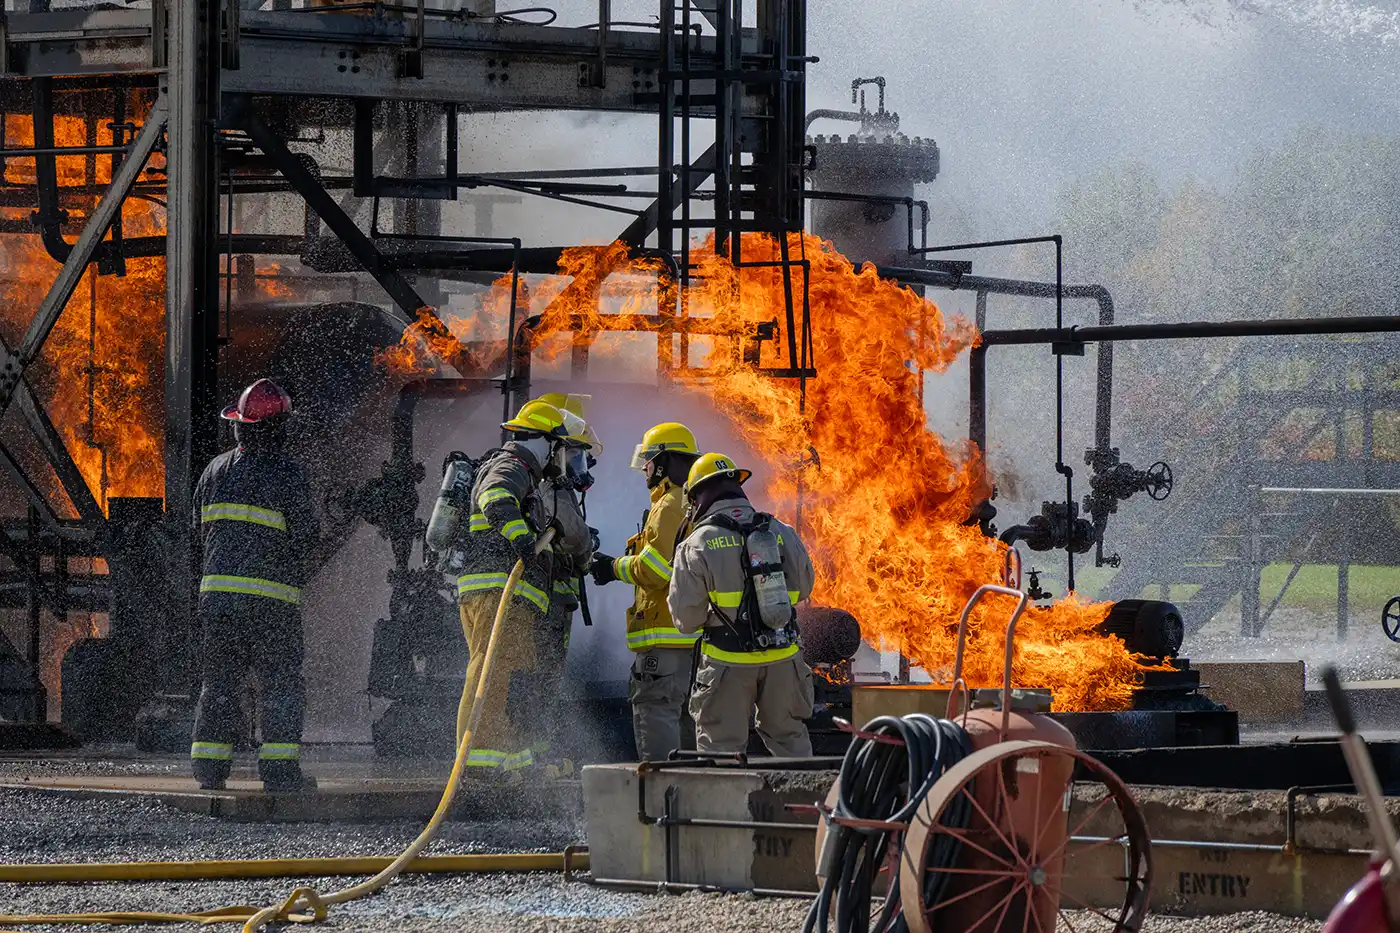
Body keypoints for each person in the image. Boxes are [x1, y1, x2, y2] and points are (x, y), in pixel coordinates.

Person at [190, 378, 320, 793]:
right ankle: (280, 772)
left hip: (218, 604)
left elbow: (197, 535)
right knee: (281, 682)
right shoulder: (289, 476)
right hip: (272, 605)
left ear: (240, 426)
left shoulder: (213, 471)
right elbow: (306, 540)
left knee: (219, 682)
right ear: (279, 428)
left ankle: (210, 770)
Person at [667, 453, 816, 757]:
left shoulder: (697, 543)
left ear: (697, 497)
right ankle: (804, 801)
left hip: (727, 664)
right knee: (790, 740)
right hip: (784, 658)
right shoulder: (779, 530)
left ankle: (724, 805)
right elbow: (803, 590)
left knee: (720, 749)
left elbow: (686, 619)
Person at [454, 399, 568, 778]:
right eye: (559, 448)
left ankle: (510, 761)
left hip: (511, 595)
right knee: (492, 671)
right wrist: (524, 539)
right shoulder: (512, 465)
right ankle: (479, 762)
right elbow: (495, 499)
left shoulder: (525, 474)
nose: (560, 458)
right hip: (495, 589)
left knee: (512, 675)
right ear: (545, 443)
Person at [590, 422, 701, 761]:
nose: (645, 471)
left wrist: (612, 567)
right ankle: (688, 796)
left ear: (663, 463)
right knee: (686, 717)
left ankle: (659, 798)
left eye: (648, 462)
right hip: (691, 637)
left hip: (665, 638)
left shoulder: (669, 504)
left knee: (656, 711)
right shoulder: (693, 501)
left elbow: (656, 570)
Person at [530, 399, 598, 777]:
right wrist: (590, 554)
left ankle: (539, 754)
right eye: (574, 456)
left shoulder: (539, 484)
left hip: (551, 600)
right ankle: (537, 756)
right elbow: (575, 537)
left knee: (541, 676)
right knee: (541, 677)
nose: (579, 468)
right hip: (550, 601)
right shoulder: (553, 488)